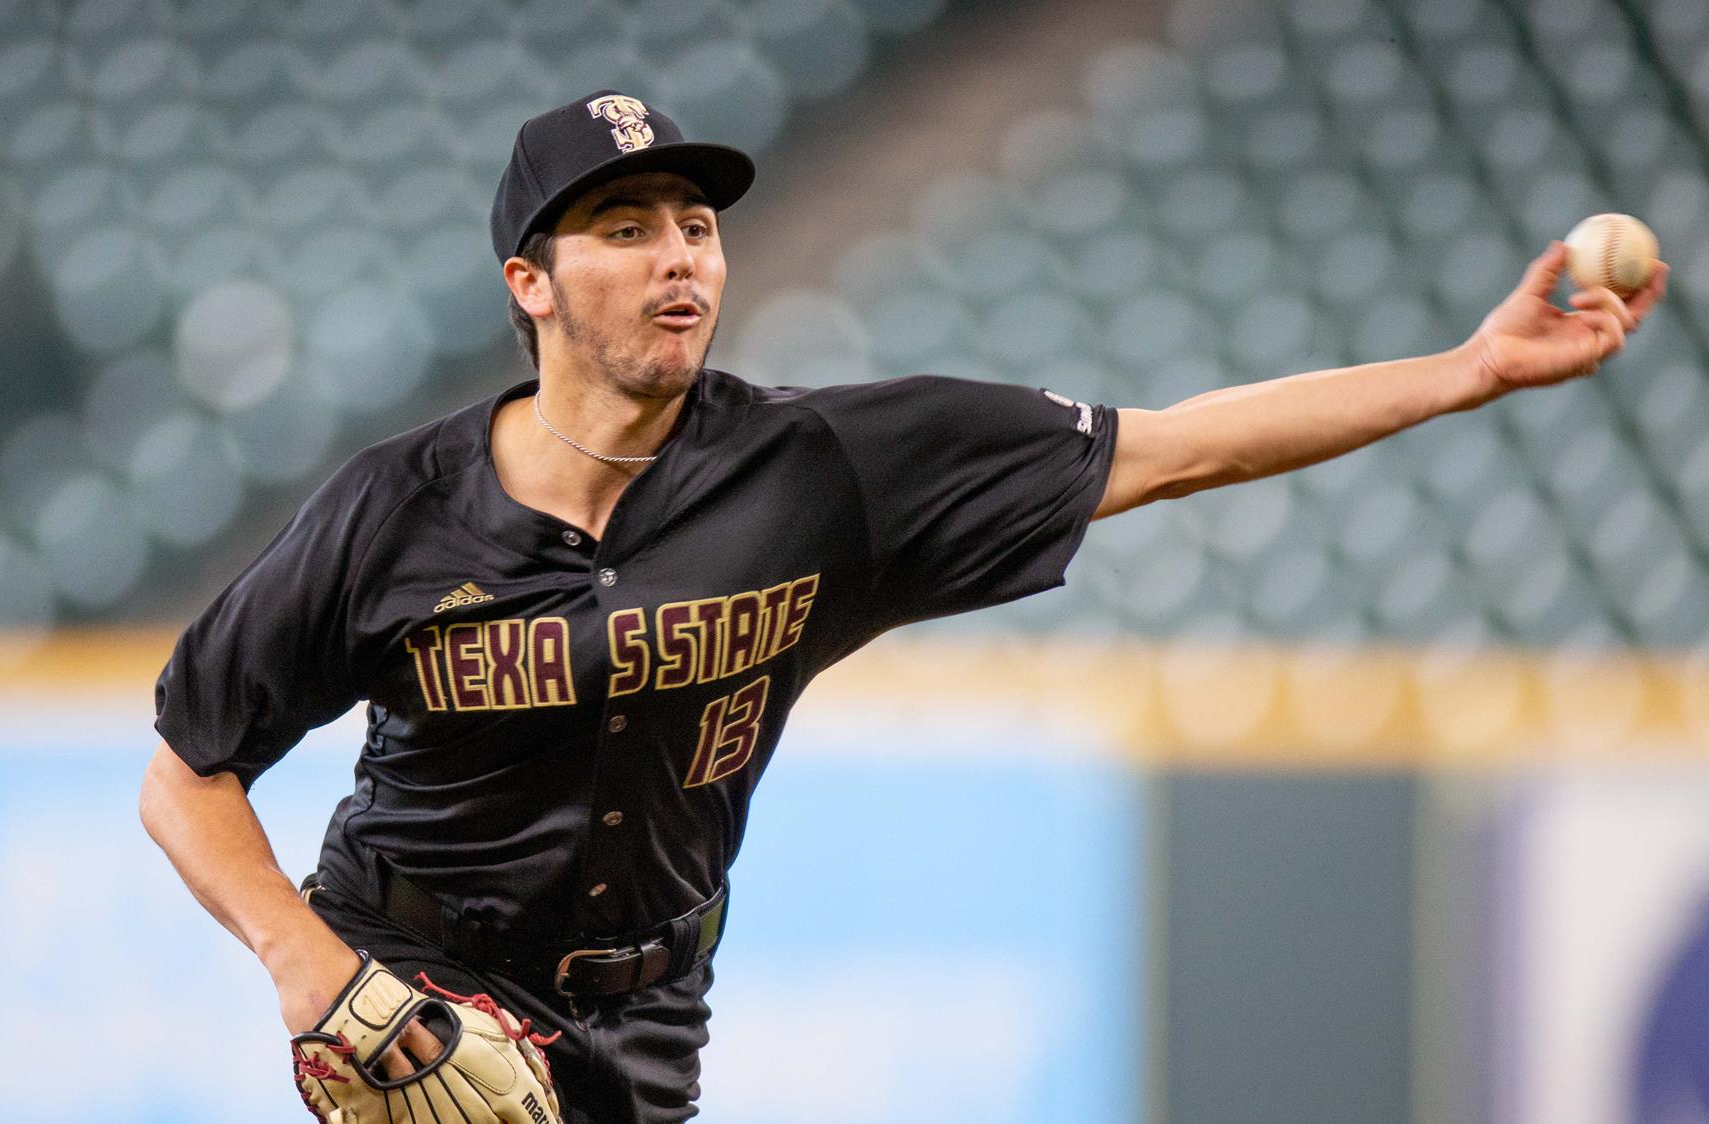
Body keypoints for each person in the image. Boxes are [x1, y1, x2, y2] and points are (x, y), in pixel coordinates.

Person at [137, 89, 1667, 1123]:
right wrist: (310, 969)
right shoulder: (393, 511)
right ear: (529, 284)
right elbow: (187, 773)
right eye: (625, 230)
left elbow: (1183, 443)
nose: (679, 256)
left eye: (697, 223)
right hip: (407, 991)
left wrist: (1468, 372)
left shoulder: (822, 473)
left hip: (649, 1012)